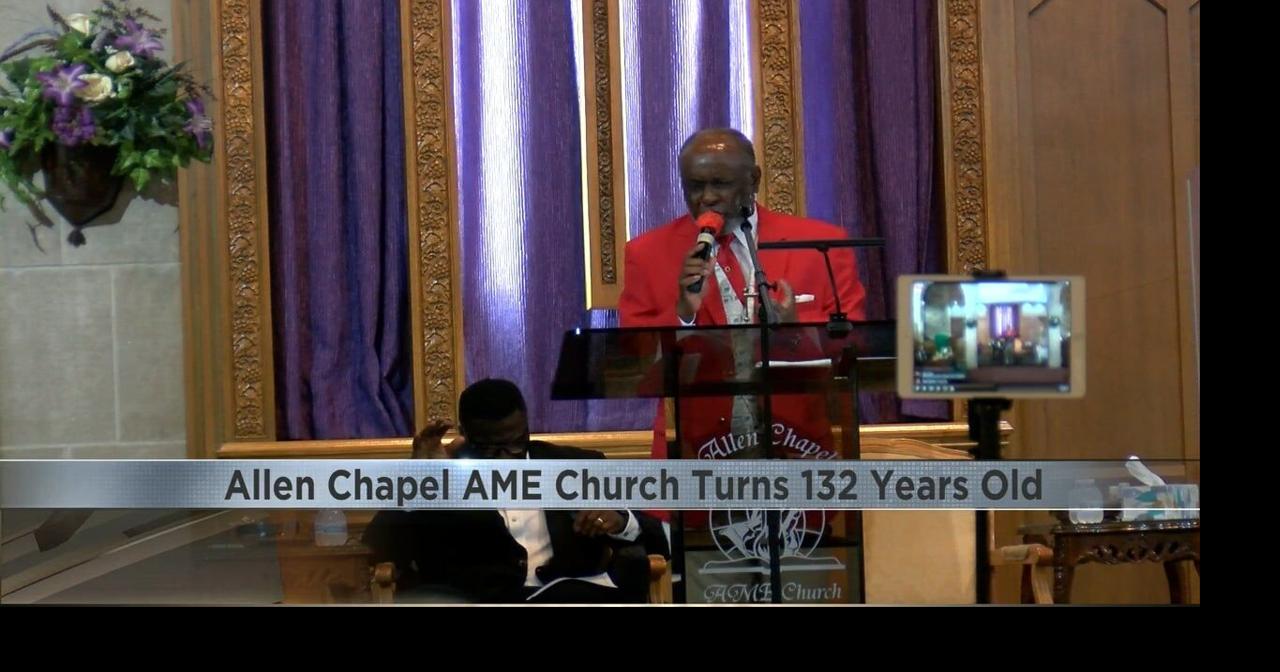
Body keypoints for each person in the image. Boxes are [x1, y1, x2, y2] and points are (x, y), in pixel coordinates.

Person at [363, 378, 669, 603]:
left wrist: (621, 521)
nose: (508, 457)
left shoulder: (576, 465)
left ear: (526, 426)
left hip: (572, 595)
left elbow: (659, 539)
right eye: (492, 447)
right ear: (466, 435)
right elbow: (378, 546)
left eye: (516, 441)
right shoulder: (446, 474)